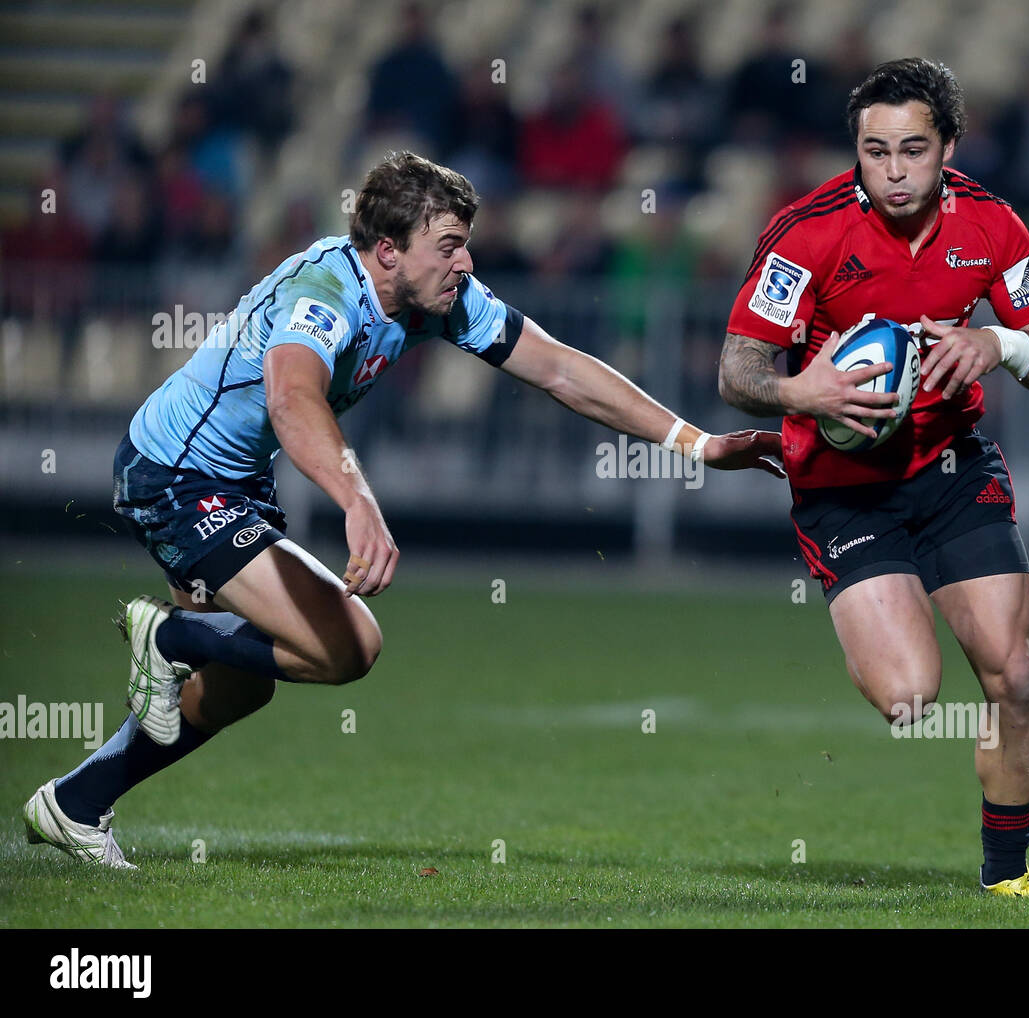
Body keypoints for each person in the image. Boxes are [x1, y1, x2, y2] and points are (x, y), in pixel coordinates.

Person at [24, 151, 783, 869]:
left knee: (240, 683)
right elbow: (292, 397)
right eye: (449, 245)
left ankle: (77, 803)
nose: (468, 262)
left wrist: (695, 443)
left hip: (229, 482)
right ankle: (172, 635)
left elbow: (556, 367)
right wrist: (357, 498)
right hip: (175, 475)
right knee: (349, 645)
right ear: (387, 249)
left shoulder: (433, 300)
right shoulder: (325, 293)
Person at [717, 58, 1029, 899]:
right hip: (843, 483)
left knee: (1015, 674)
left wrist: (1000, 344)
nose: (891, 171)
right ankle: (876, 597)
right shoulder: (807, 231)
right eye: (874, 151)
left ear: (948, 146)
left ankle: (1008, 878)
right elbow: (738, 367)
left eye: (912, 150)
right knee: (911, 698)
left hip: (951, 466)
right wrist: (795, 391)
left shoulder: (992, 225)